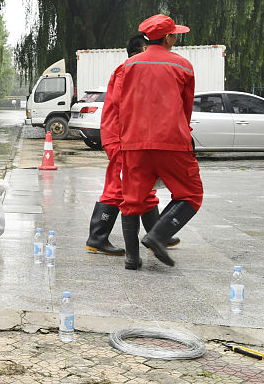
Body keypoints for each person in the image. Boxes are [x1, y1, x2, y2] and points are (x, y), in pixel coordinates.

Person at [117, 14, 203, 269]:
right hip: (171, 140)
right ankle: (157, 235)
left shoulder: (129, 66)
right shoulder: (183, 66)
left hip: (134, 141)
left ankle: (132, 259)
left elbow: (122, 103)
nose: (176, 37)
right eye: (175, 33)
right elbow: (186, 107)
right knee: (191, 194)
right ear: (168, 37)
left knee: (132, 199)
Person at [86, 33, 181, 261]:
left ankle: (156, 234)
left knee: (143, 187)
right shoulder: (127, 70)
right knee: (119, 188)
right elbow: (124, 107)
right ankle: (97, 238)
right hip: (122, 139)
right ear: (140, 52)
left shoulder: (137, 71)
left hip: (132, 139)